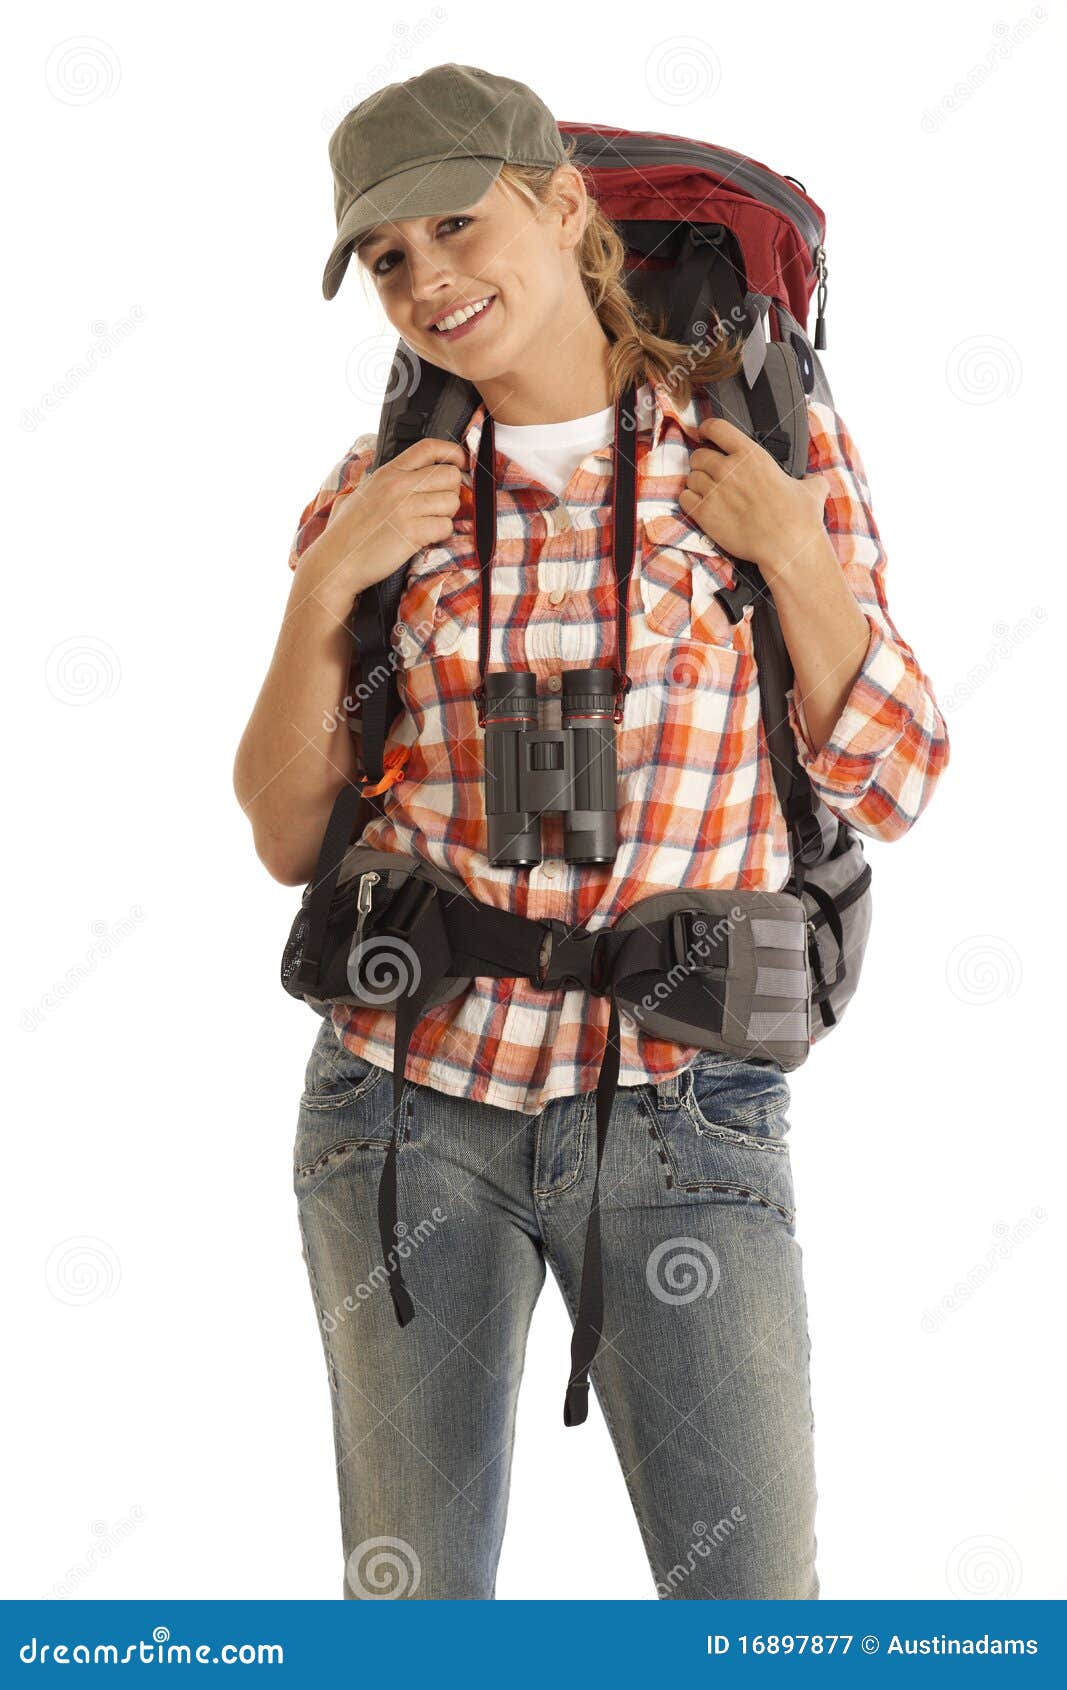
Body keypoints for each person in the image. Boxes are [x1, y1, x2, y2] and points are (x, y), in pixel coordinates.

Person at [233, 64, 950, 1601]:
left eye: (455, 226)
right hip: (405, 1106)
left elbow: (899, 777)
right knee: (412, 1613)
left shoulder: (758, 453)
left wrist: (796, 561)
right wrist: (319, 594)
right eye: (386, 259)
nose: (428, 281)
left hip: (686, 1104)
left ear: (564, 208)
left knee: (754, 1615)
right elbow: (288, 833)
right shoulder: (376, 495)